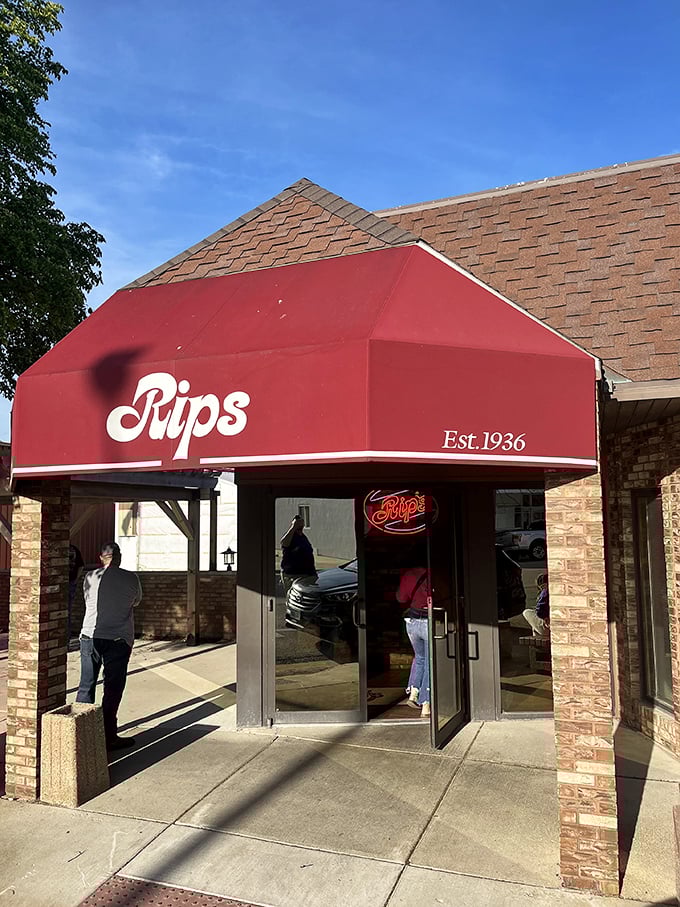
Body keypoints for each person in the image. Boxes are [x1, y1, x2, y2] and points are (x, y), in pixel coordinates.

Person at [76, 541, 142, 750]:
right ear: (119, 557)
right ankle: (108, 736)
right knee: (112, 689)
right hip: (118, 639)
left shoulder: (90, 576)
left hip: (89, 636)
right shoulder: (131, 578)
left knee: (86, 687)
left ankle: (81, 737)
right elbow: (136, 601)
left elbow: (87, 600)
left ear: (100, 557)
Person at [397, 565, 431, 719]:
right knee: (430, 662)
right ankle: (426, 704)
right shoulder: (434, 574)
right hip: (429, 621)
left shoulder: (408, 574)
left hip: (412, 621)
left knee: (420, 658)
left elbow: (400, 598)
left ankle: (414, 692)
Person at [280, 514, 317, 596]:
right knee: (294, 598)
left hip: (307, 574)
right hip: (293, 575)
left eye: (302, 522)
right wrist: (293, 527)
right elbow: (284, 543)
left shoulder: (303, 537)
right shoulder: (291, 536)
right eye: (298, 522)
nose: (301, 524)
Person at [523, 572, 550, 638]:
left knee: (526, 612)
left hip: (547, 625)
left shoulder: (545, 590)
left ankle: (537, 642)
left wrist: (545, 617)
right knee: (534, 628)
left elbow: (540, 610)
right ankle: (537, 639)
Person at [67, 543, 84, 643]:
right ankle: (67, 640)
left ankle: (65, 640)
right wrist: (75, 580)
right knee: (68, 611)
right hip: (71, 583)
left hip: (63, 582)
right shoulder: (74, 549)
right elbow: (81, 566)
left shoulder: (58, 549)